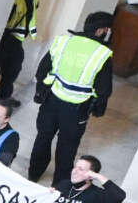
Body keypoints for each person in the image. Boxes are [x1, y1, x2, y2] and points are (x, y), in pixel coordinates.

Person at [26, 12, 115, 183]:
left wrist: (40, 92)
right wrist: (98, 108)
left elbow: (42, 70)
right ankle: (60, 184)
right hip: (77, 109)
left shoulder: (63, 42)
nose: (109, 33)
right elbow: (103, 89)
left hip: (51, 101)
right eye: (108, 30)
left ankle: (33, 174)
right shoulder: (102, 54)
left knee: (43, 138)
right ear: (100, 31)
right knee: (67, 148)